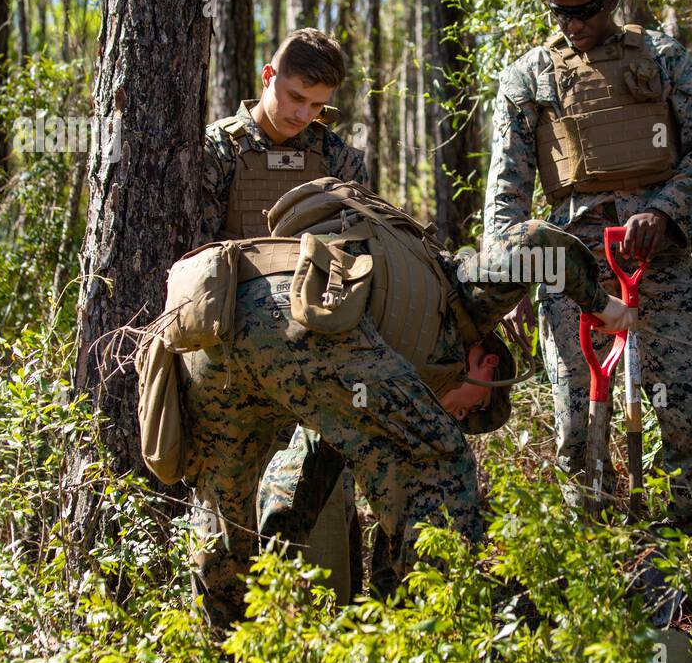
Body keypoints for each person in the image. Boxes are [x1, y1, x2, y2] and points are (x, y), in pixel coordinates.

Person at [176, 178, 635, 628]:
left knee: (225, 511)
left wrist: (281, 550)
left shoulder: (371, 382)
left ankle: (231, 656)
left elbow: (298, 477)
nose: (459, 416)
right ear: (488, 363)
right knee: (440, 456)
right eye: (471, 410)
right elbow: (533, 240)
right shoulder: (465, 298)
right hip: (301, 311)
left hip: (220, 315)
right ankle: (424, 630)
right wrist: (600, 304)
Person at [483, 0, 692, 535]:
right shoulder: (527, 77)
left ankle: (684, 556)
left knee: (687, 413)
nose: (574, 23)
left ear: (612, 1)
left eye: (586, 9)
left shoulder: (664, 58)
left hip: (656, 261)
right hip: (571, 265)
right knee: (578, 422)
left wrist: (666, 211)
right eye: (561, 11)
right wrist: (506, 279)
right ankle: (592, 554)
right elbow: (505, 191)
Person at [199, 28, 368, 601]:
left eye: (317, 104)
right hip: (232, 357)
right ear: (268, 78)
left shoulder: (339, 158)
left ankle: (327, 631)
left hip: (317, 349)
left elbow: (360, 253)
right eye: (295, 96)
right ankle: (227, 652)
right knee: (229, 507)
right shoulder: (218, 151)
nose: (303, 114)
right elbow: (190, 260)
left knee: (325, 498)